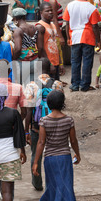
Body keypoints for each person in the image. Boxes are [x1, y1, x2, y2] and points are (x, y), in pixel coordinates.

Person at [32, 90, 80, 201]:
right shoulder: (69, 120)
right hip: (64, 158)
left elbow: (41, 142)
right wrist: (77, 154)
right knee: (63, 186)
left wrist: (35, 163)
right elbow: (73, 140)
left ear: (49, 103)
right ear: (62, 103)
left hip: (50, 158)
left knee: (52, 186)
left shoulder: (44, 120)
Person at [24, 58, 63, 191]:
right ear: (50, 68)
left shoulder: (30, 86)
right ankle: (55, 181)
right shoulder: (57, 84)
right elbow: (61, 106)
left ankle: (37, 183)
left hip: (37, 126)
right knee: (55, 154)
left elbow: (28, 111)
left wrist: (27, 131)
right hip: (55, 126)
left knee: (36, 154)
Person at [63, 0, 101, 92]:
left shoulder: (70, 5)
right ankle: (84, 85)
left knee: (75, 62)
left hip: (74, 37)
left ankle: (75, 85)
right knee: (87, 61)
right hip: (88, 37)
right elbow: (95, 26)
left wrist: (67, 38)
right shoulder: (92, 8)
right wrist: (98, 41)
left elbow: (67, 24)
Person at [12, 8, 43, 85]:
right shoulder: (35, 28)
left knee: (20, 85)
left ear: (15, 18)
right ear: (25, 16)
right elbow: (40, 47)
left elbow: (18, 49)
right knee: (33, 85)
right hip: (35, 60)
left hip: (22, 62)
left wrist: (13, 59)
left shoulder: (18, 31)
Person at [37, 1, 61, 80]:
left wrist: (60, 63)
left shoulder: (53, 25)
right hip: (48, 63)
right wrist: (49, 64)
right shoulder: (40, 26)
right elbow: (40, 48)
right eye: (47, 11)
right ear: (41, 13)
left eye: (51, 10)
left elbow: (56, 44)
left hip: (55, 61)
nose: (50, 12)